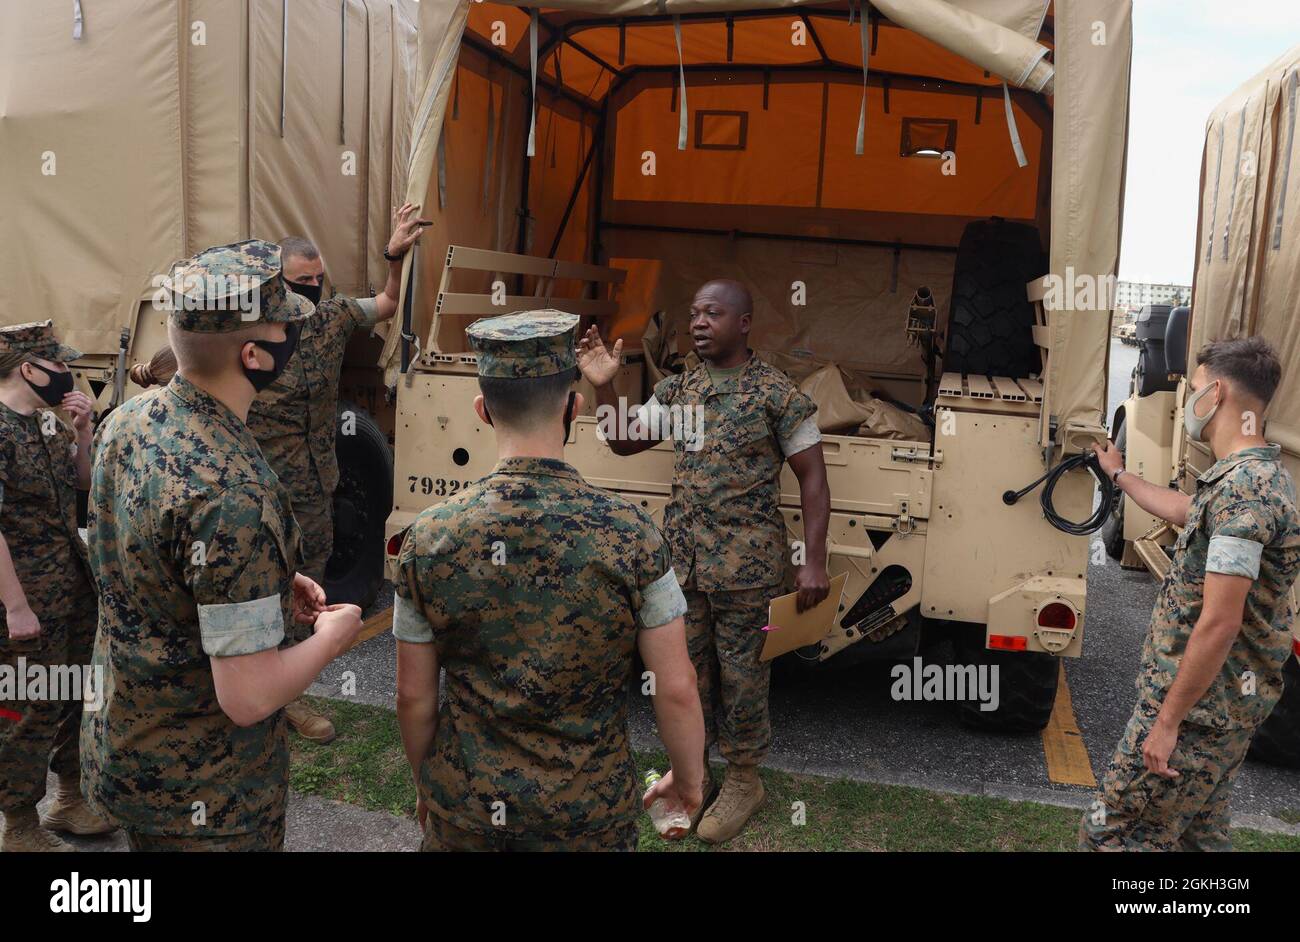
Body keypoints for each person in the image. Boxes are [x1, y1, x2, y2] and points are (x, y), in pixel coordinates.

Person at [81, 240, 363, 851]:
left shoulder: (131, 420)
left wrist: (266, 581)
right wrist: (333, 639)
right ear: (255, 355)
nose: (296, 329)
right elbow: (251, 696)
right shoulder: (234, 495)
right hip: (206, 789)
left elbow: (150, 554)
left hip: (127, 745)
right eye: (283, 321)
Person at [394, 310, 706, 851]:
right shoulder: (632, 536)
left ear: (482, 411)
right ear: (574, 406)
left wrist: (432, 784)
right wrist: (690, 778)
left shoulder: (429, 537)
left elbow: (412, 698)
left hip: (467, 813)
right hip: (589, 817)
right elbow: (675, 689)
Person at [579, 279, 831, 844]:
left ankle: (743, 779)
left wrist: (812, 560)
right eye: (693, 313)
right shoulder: (679, 389)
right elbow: (623, 441)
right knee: (684, 677)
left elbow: (813, 477)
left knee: (744, 677)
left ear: (743, 323)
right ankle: (692, 777)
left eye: (712, 314)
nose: (698, 322)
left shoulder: (776, 393)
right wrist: (605, 387)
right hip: (684, 565)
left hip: (748, 570)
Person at [1083, 336, 1300, 851]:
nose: (1188, 403)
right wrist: (1118, 474)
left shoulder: (1245, 491)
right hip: (1226, 710)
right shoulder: (1254, 477)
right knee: (1199, 839)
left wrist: (1167, 722)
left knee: (1112, 833)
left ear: (1217, 393)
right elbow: (1187, 510)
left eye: (1195, 389)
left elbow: (1221, 622)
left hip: (1198, 715)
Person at [247, 204, 428, 744]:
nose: (314, 288)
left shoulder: (333, 318)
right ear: (277, 283)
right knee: (260, 589)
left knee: (310, 586)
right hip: (262, 489)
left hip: (317, 485)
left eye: (319, 278)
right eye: (303, 282)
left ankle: (286, 689)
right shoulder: (253, 330)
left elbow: (389, 303)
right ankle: (264, 696)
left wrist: (395, 254)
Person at [0, 321, 113, 851]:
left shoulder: (46, 424)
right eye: (57, 363)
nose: (66, 372)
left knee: (76, 694)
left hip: (70, 581)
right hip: (23, 596)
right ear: (29, 367)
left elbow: (85, 486)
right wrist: (16, 607)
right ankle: (19, 824)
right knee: (28, 706)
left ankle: (71, 800)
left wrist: (83, 431)